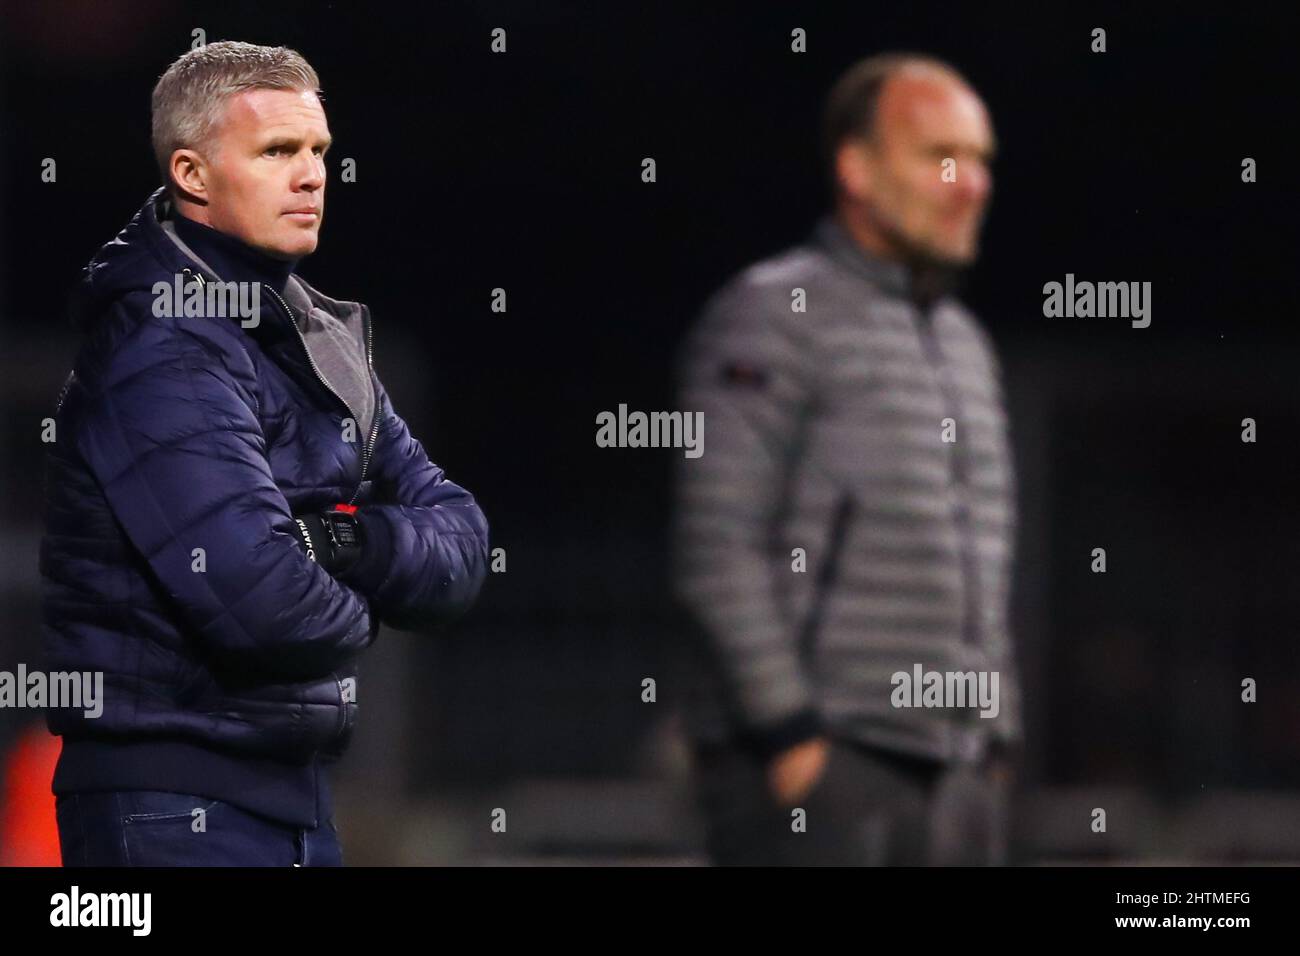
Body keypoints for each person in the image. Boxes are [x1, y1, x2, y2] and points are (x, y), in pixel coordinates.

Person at [40, 41, 489, 866]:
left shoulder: (316, 332)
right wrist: (375, 605)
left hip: (286, 795)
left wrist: (344, 541)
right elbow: (271, 606)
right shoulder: (162, 344)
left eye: (318, 152)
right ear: (193, 174)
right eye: (277, 151)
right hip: (170, 806)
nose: (313, 175)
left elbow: (464, 541)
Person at [672, 53, 1021, 865]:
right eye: (941, 156)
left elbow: (982, 566)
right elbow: (715, 546)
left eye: (978, 161)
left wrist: (997, 738)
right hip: (827, 766)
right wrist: (791, 736)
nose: (970, 183)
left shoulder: (966, 343)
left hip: (958, 773)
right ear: (857, 169)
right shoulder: (772, 315)